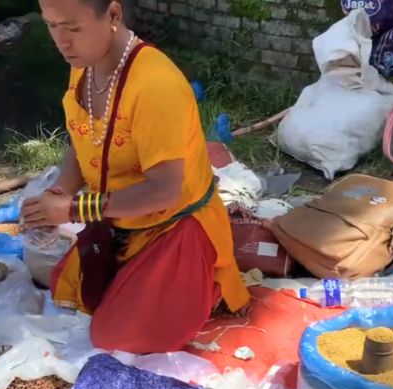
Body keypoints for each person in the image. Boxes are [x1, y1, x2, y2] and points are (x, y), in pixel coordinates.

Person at [21, 0, 250, 353]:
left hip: (173, 225)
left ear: (113, 15)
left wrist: (73, 210)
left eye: (73, 28)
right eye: (51, 25)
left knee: (113, 337)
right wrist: (59, 191)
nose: (61, 41)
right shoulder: (86, 63)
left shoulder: (156, 86)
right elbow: (85, 140)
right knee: (64, 286)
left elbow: (164, 192)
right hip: (119, 220)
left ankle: (208, 285)